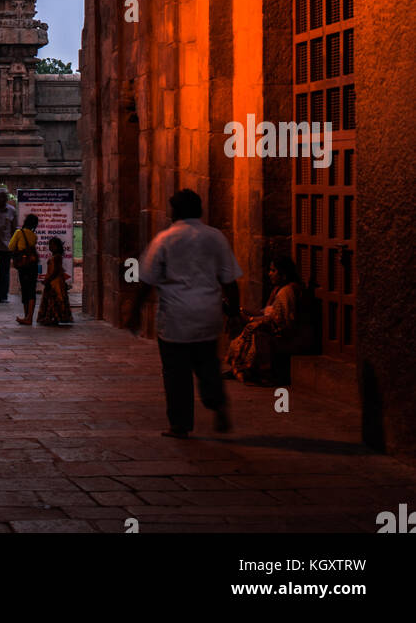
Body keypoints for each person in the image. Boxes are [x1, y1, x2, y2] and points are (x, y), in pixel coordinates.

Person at [129, 188, 242, 438]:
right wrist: (234, 313)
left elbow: (146, 281)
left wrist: (135, 312)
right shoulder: (215, 237)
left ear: (174, 212)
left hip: (175, 317)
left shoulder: (164, 240)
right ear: (200, 210)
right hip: (208, 314)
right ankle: (217, 403)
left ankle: (180, 423)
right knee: (208, 364)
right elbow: (230, 280)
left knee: (176, 371)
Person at [224, 256, 312, 385]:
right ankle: (240, 368)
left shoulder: (287, 292)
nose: (269, 274)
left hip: (292, 337)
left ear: (283, 274)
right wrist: (241, 311)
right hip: (278, 329)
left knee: (255, 333)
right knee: (240, 323)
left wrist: (252, 320)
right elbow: (266, 312)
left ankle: (261, 373)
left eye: (273, 270)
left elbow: (283, 322)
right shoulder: (277, 290)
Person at [9, 214, 39, 325]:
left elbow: (10, 246)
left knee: (25, 289)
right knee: (32, 290)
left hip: (23, 264)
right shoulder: (33, 236)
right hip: (33, 264)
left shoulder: (19, 233)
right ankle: (30, 316)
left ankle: (27, 316)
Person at [37, 236, 72, 326]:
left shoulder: (57, 257)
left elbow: (56, 271)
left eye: (53, 245)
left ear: (58, 246)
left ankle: (54, 317)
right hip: (52, 281)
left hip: (55, 282)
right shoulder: (54, 256)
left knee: (55, 299)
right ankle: (52, 317)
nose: (51, 247)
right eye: (50, 245)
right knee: (51, 299)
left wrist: (48, 280)